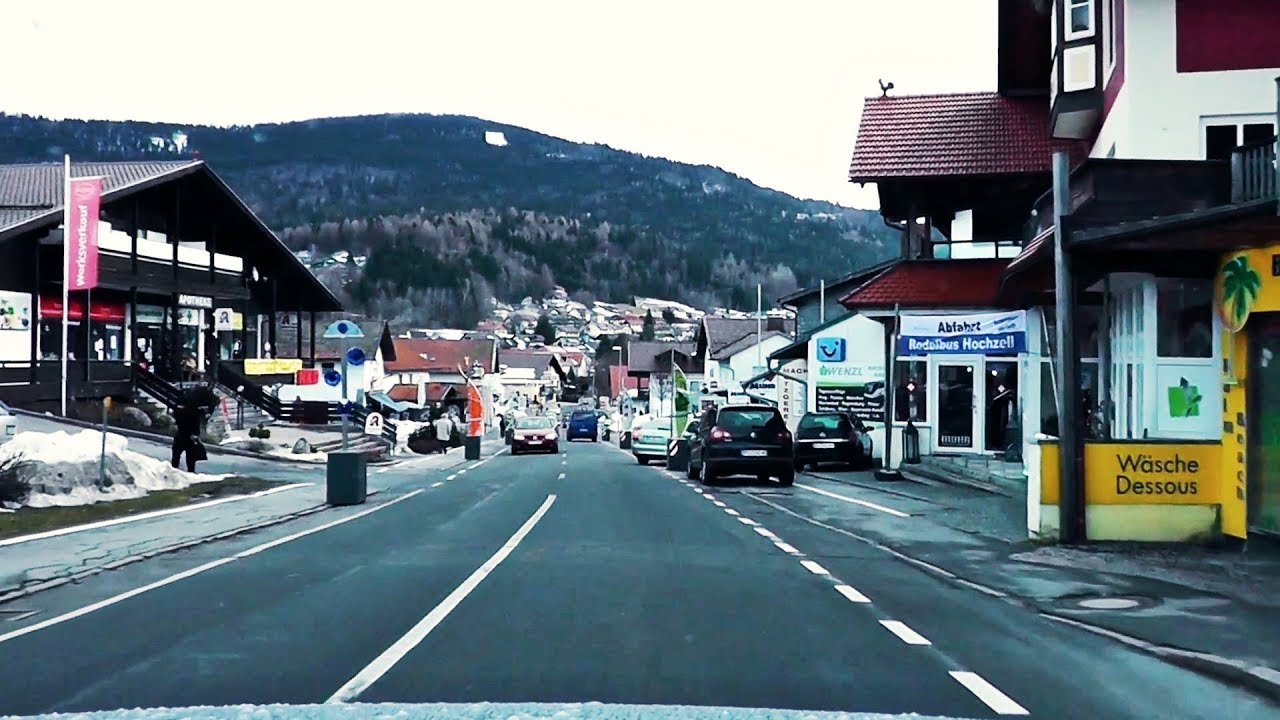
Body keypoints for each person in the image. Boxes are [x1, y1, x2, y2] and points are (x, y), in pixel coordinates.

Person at [171, 401, 207, 472]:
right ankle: (191, 473)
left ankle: (173, 470)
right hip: (190, 438)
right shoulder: (195, 414)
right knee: (190, 459)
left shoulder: (180, 412)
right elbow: (197, 429)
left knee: (176, 456)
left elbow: (175, 417)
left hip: (180, 435)